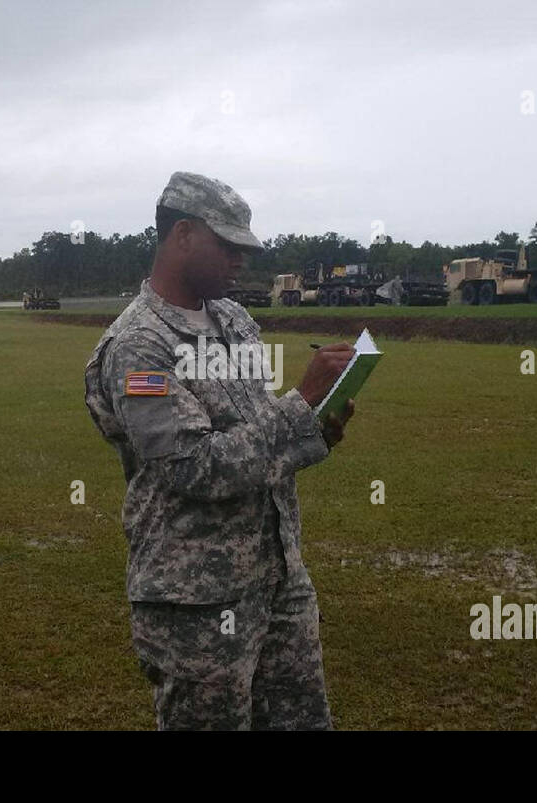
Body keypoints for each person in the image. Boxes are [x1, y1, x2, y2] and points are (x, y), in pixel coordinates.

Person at [84, 171, 356, 730]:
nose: (240, 261)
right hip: (197, 602)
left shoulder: (233, 318)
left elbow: (256, 429)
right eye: (227, 245)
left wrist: (317, 425)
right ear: (182, 234)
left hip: (278, 575)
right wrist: (301, 402)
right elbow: (197, 468)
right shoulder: (139, 346)